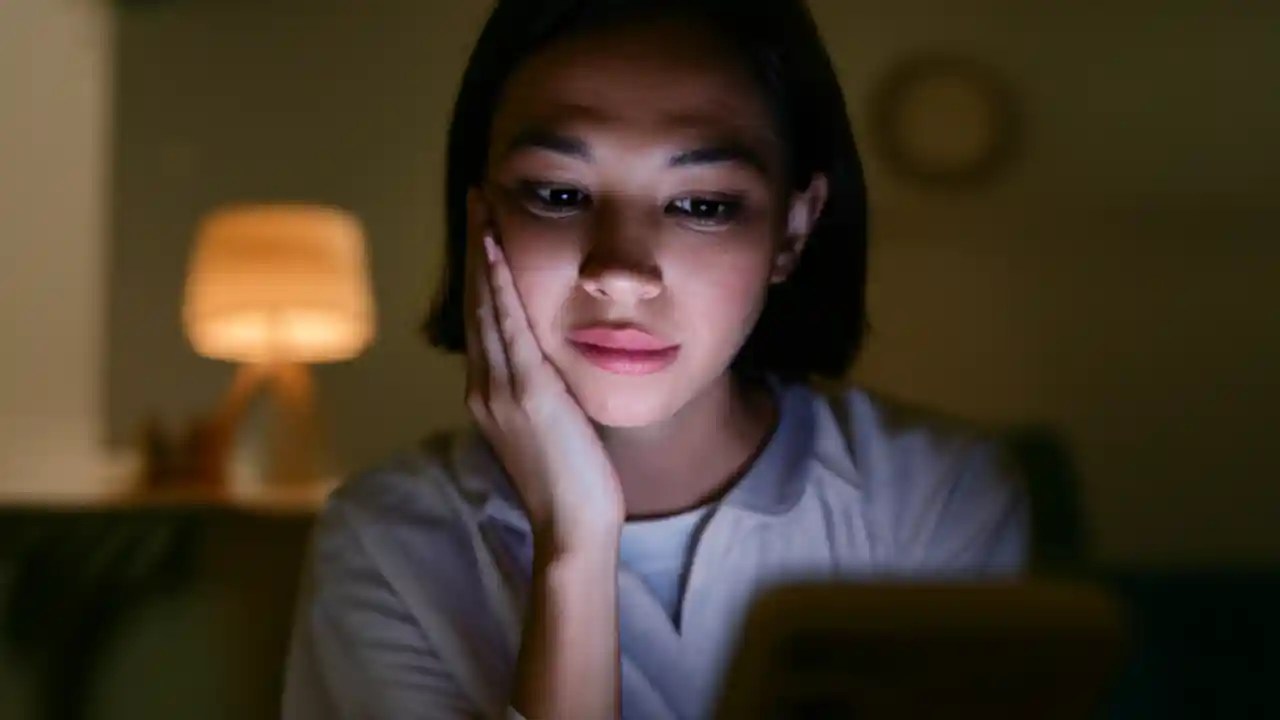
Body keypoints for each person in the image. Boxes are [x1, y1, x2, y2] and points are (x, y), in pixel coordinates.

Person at [282, 1, 1029, 718]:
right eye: (558, 193)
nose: (622, 270)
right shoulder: (386, 542)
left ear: (793, 233)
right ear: (484, 220)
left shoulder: (932, 499)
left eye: (702, 204)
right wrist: (573, 542)